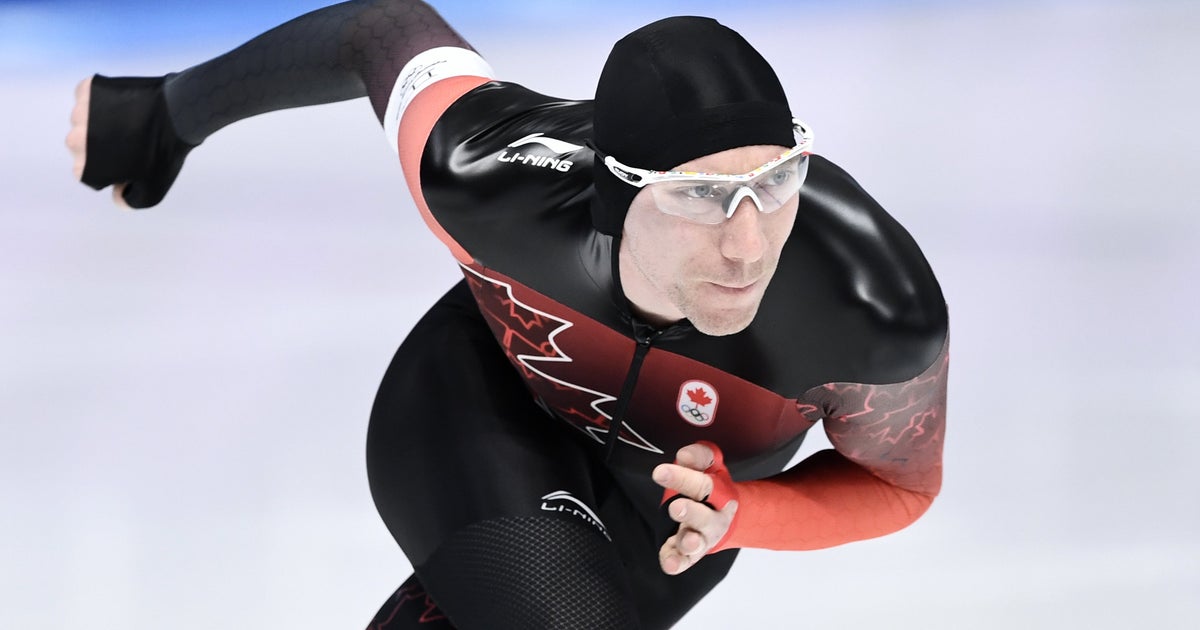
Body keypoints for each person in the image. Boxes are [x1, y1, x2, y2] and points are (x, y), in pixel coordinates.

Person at [66, 1, 949, 628]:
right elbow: (380, 27)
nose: (749, 246)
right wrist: (164, 116)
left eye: (775, 183)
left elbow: (900, 486)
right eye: (701, 197)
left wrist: (742, 513)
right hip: (481, 405)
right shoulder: (482, 173)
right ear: (618, 195)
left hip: (668, 515)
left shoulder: (873, 306)